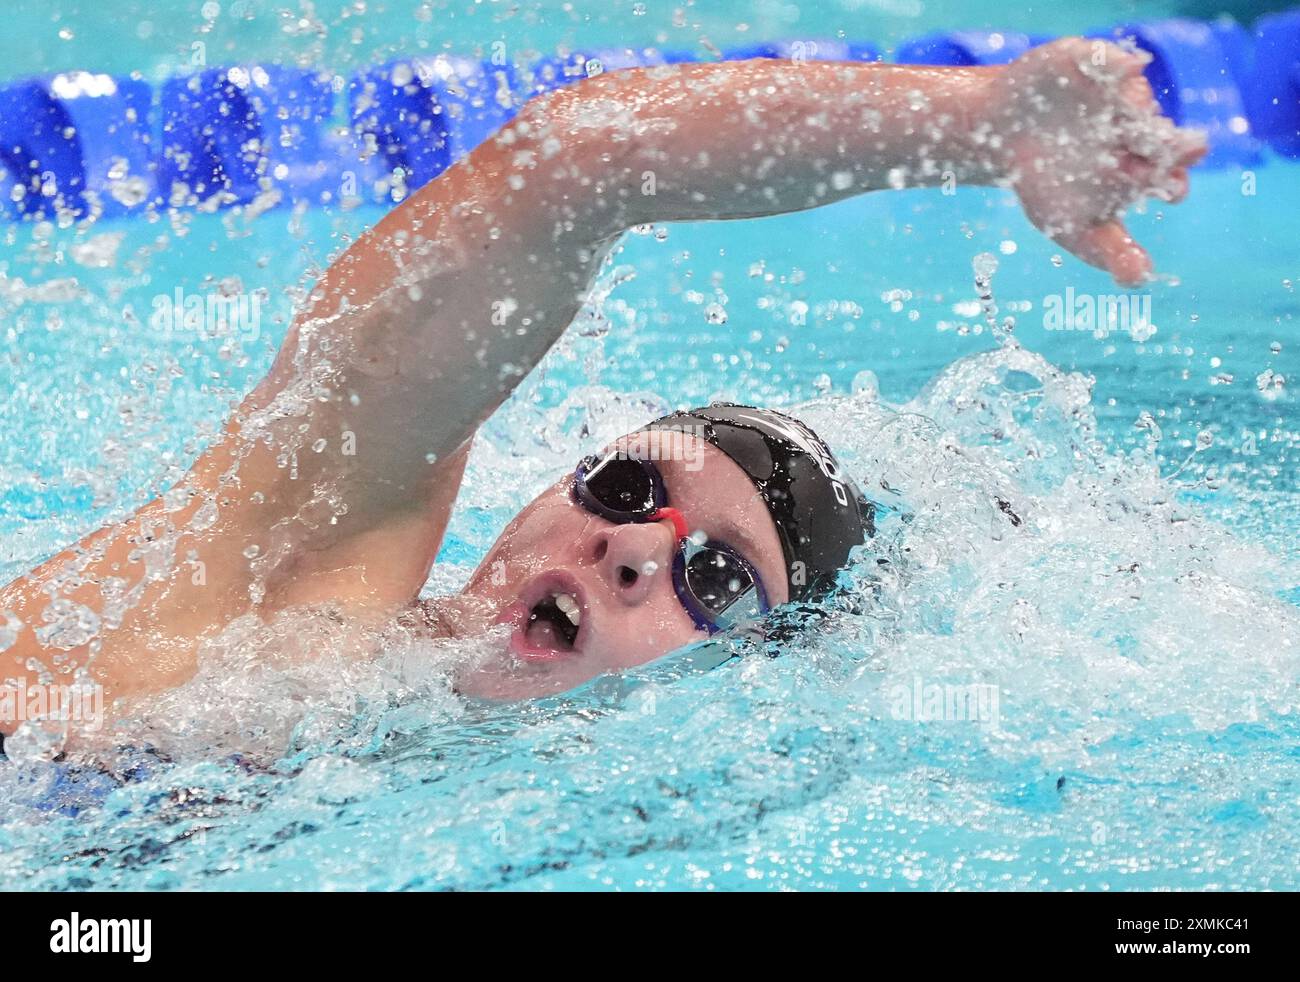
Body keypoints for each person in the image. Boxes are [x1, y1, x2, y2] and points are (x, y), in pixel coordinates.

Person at [0, 38, 1205, 730]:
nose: (636, 551)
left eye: (716, 578)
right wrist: (982, 123)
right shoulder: (291, 575)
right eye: (628, 484)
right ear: (544, 488)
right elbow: (582, 165)